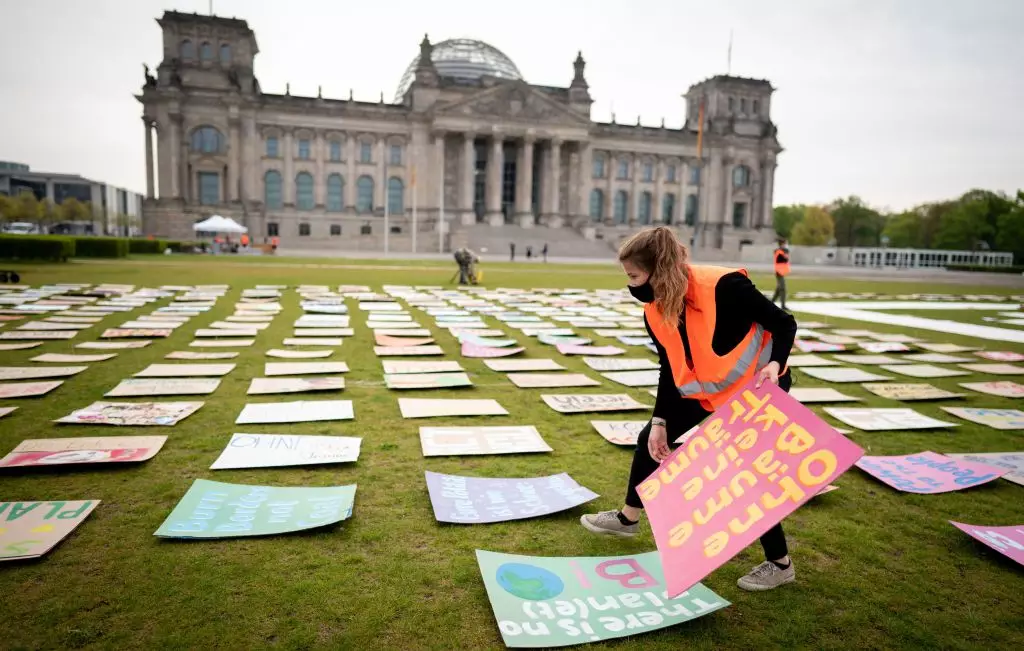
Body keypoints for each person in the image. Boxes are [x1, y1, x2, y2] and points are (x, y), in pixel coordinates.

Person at [580, 226, 799, 592]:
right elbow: (671, 366)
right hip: (705, 391)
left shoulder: (724, 286)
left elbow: (784, 323)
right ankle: (628, 518)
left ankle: (780, 564)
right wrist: (661, 420)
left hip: (759, 387)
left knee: (746, 472)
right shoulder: (655, 310)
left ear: (659, 268)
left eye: (634, 276)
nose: (631, 285)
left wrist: (775, 364)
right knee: (650, 438)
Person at [771, 239, 790, 310]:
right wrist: (785, 251)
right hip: (779, 272)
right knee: (783, 289)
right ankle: (783, 305)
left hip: (781, 272)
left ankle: (771, 302)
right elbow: (785, 258)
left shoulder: (782, 251)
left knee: (778, 289)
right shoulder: (779, 251)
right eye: (784, 243)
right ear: (782, 244)